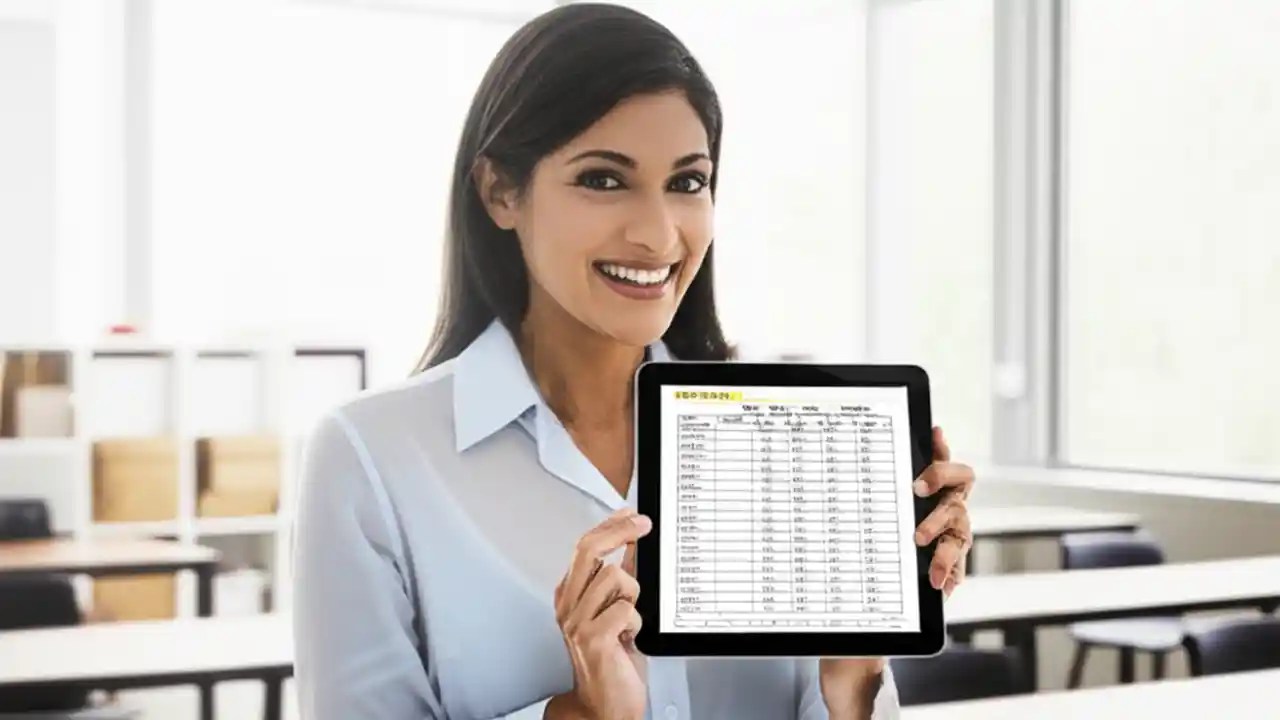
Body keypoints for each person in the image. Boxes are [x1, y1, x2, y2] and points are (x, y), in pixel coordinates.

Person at [292, 4, 976, 719]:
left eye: (687, 183)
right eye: (604, 180)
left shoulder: (784, 440)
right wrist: (582, 714)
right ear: (500, 191)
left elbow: (842, 695)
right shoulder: (370, 459)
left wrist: (858, 676)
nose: (657, 236)